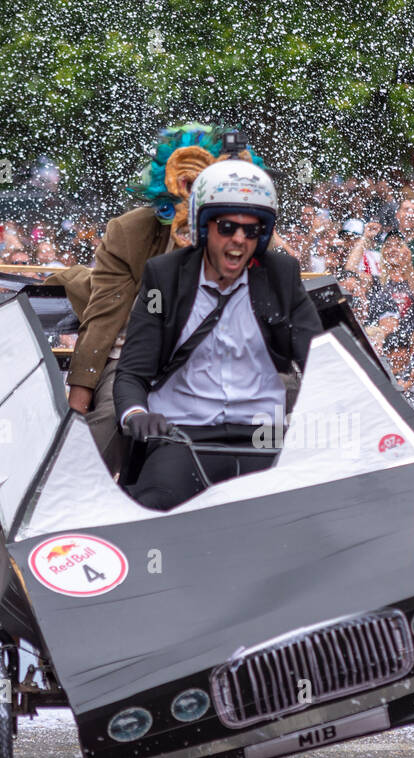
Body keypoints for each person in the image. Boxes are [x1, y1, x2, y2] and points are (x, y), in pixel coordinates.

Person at [113, 160, 322, 510]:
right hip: (181, 434)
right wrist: (136, 414)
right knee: (156, 505)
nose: (239, 240)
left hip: (264, 436)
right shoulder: (163, 277)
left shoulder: (281, 274)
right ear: (203, 227)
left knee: (306, 509)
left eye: (251, 231)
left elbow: (319, 359)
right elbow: (133, 371)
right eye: (227, 227)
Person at [64, 124, 258, 473]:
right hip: (135, 356)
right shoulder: (130, 233)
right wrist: (78, 405)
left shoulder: (250, 235)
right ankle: (69, 494)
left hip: (221, 359)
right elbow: (105, 318)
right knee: (110, 418)